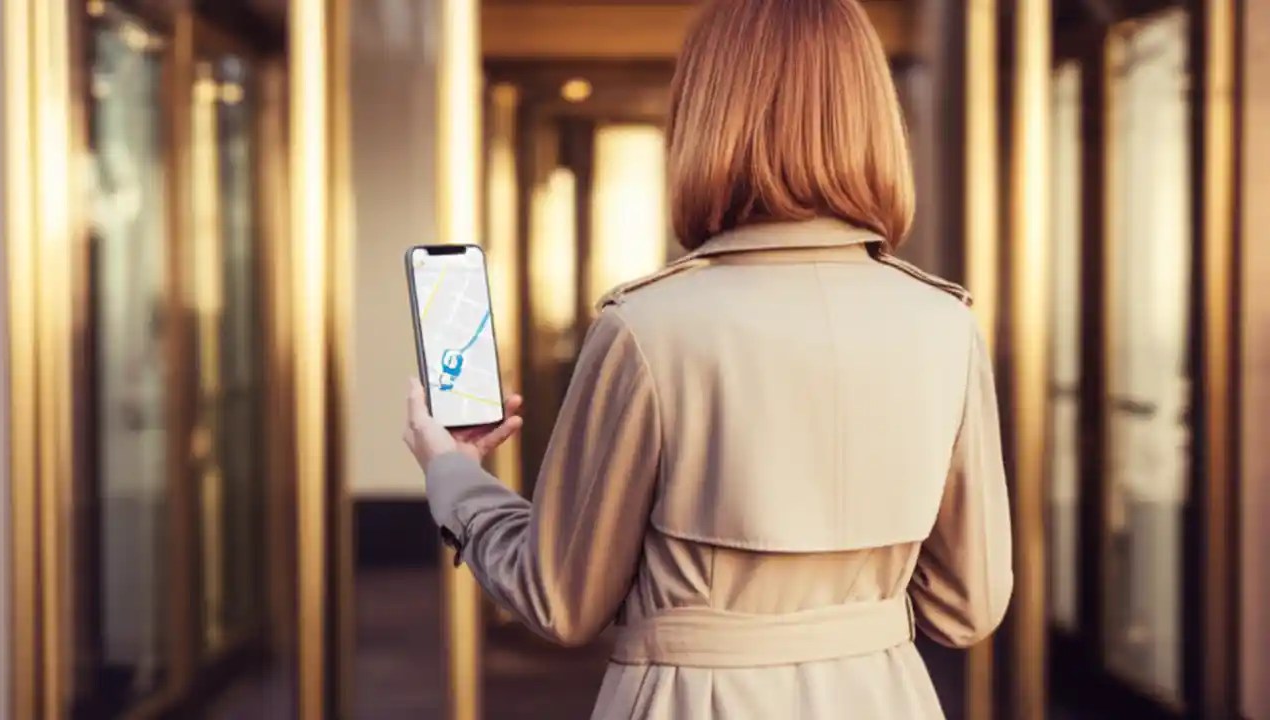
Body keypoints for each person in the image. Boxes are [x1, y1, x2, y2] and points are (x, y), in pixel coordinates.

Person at [402, 0, 1012, 716]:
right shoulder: (943, 323)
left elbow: (561, 599)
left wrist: (454, 476)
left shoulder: (647, 326)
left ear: (704, 118)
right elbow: (968, 606)